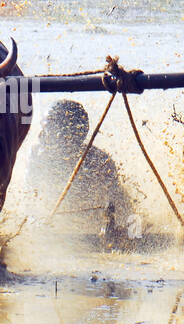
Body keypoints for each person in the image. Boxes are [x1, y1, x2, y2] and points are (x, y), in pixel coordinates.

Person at [25, 99, 136, 245]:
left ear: (69, 133)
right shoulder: (37, 157)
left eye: (48, 129)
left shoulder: (99, 161)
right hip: (57, 236)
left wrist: (129, 231)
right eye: (43, 128)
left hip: (94, 236)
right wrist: (36, 224)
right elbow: (31, 201)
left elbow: (123, 204)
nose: (41, 135)